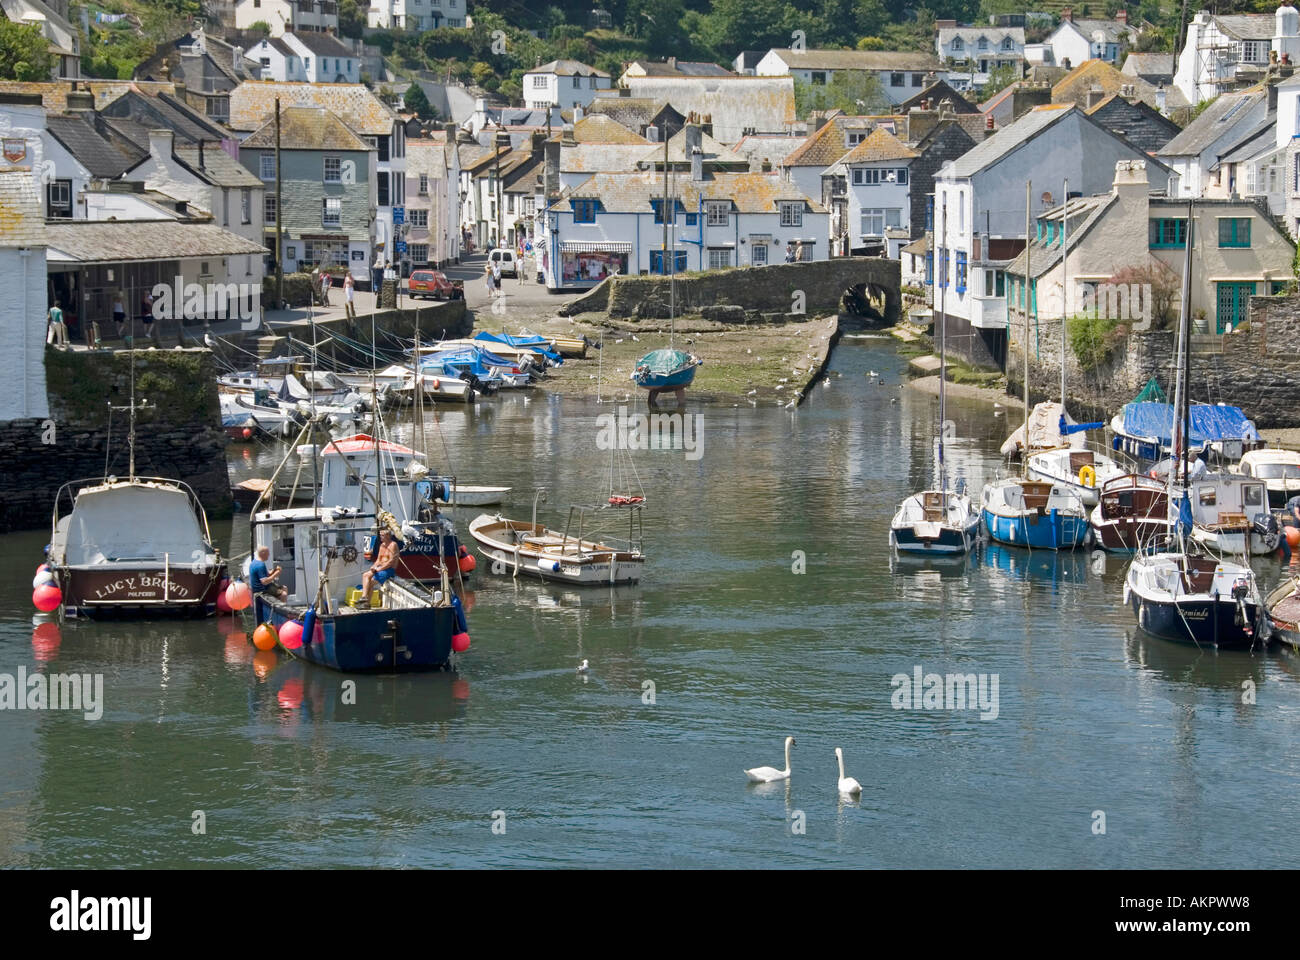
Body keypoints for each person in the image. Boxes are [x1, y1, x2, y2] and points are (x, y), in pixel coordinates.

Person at [361, 529, 400, 599]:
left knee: (370, 582)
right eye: (380, 535)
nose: (380, 537)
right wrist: (374, 566)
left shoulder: (393, 545)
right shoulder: (382, 545)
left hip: (389, 570)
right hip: (380, 568)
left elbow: (391, 562)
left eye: (382, 536)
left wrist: (379, 569)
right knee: (365, 575)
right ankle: (364, 597)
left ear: (388, 536)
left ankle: (367, 603)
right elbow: (379, 560)